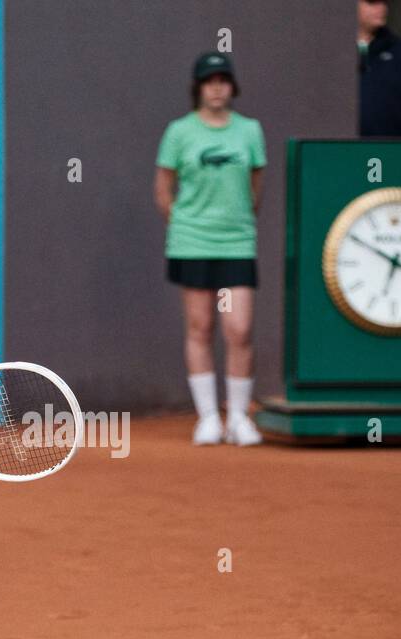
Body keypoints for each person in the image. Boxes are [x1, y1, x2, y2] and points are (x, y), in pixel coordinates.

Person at [155, 52, 266, 446]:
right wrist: (188, 225)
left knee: (239, 329)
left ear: (232, 86)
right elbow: (164, 189)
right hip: (192, 242)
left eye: (223, 80)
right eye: (209, 80)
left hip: (237, 242)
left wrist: (235, 222)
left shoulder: (250, 131)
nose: (216, 87)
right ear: (198, 87)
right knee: (200, 326)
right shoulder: (179, 132)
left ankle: (238, 417)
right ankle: (207, 419)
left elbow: (256, 185)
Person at [357, 0, 401, 136]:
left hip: (389, 148)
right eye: (372, 2)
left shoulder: (399, 50)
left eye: (384, 2)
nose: (381, 8)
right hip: (339, 148)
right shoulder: (331, 49)